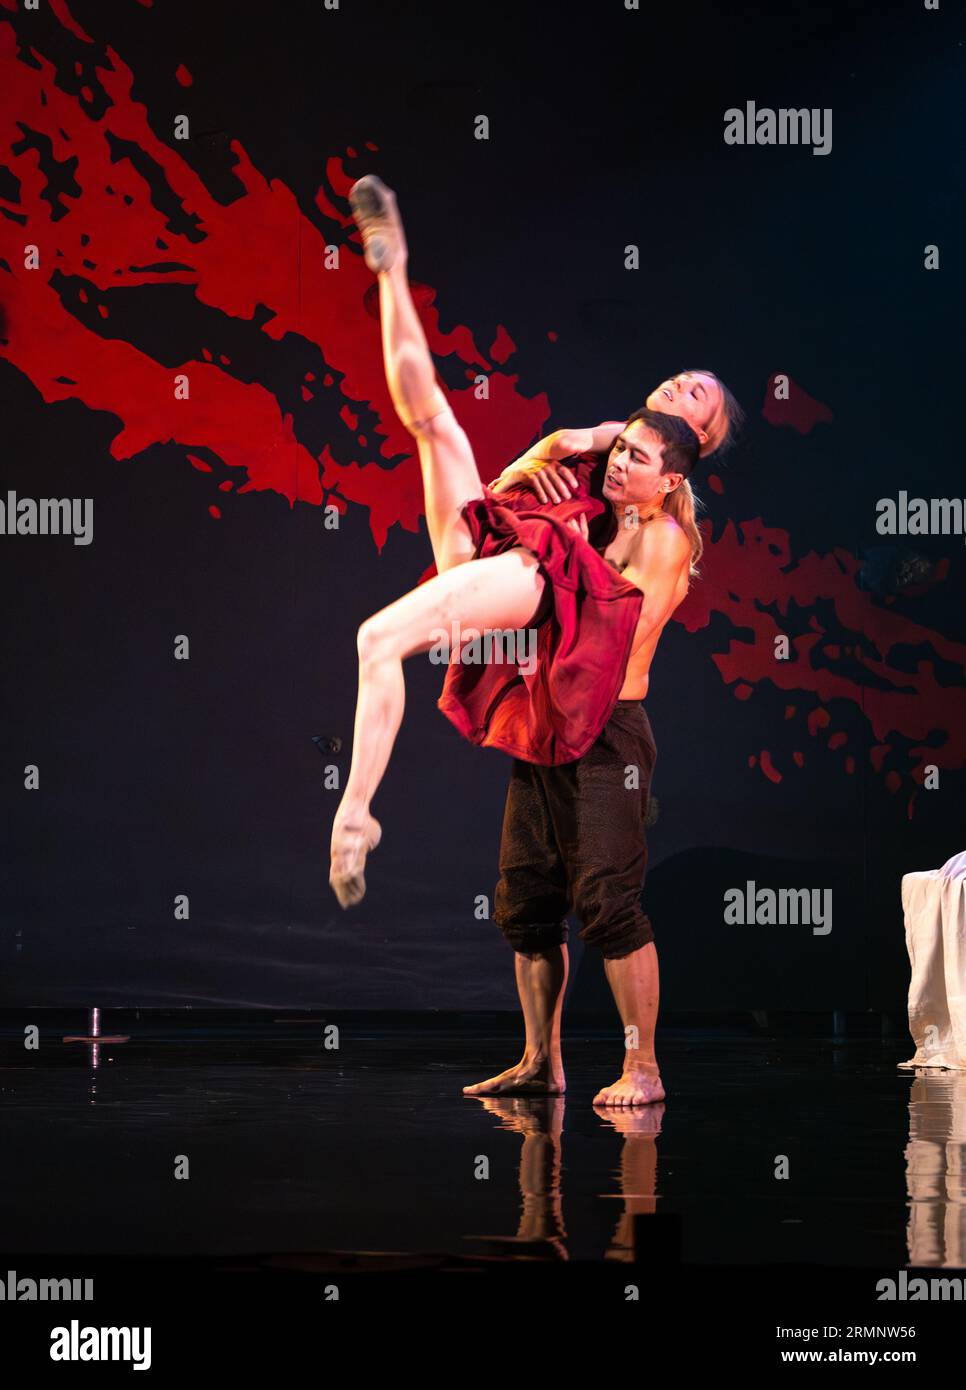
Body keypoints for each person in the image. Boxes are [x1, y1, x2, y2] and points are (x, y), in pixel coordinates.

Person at [330, 176, 742, 1105]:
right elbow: (506, 505)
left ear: (693, 456)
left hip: (602, 733)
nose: (681, 390)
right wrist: (553, 449)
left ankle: (644, 1067)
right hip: (540, 704)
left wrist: (560, 524)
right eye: (678, 381)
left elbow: (601, 618)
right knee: (524, 906)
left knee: (608, 904)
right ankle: (540, 1062)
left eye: (698, 401)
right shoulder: (606, 458)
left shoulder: (670, 529)